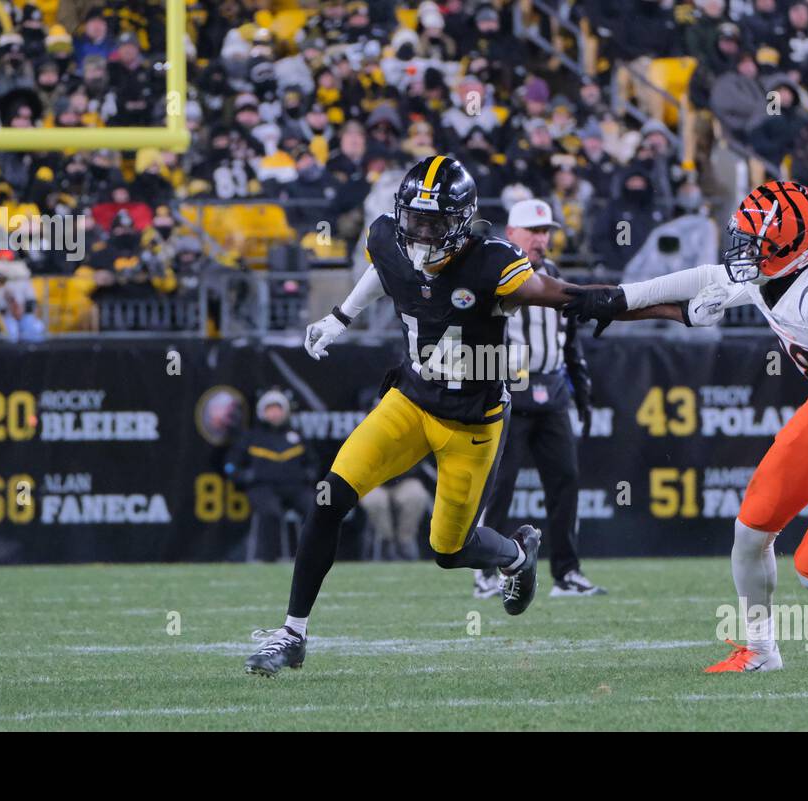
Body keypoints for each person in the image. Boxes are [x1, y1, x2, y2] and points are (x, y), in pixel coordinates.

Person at [565, 180, 808, 673]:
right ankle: (761, 651)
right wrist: (618, 297)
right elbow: (703, 276)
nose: (744, 252)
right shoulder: (778, 271)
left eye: (757, 243)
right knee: (750, 531)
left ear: (793, 248)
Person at [245, 156, 599, 676]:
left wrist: (638, 300)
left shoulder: (491, 260)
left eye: (435, 223)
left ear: (462, 220)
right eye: (414, 219)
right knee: (330, 497)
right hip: (410, 401)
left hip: (472, 424)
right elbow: (383, 265)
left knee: (449, 550)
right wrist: (341, 317)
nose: (421, 232)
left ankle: (517, 557)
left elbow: (558, 295)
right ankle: (292, 634)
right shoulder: (390, 237)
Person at [473, 199, 605, 600]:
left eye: (546, 231)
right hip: (507, 392)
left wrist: (580, 387)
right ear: (511, 233)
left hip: (552, 393)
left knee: (565, 481)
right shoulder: (494, 273)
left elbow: (570, 337)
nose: (541, 239)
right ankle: (485, 571)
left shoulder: (553, 273)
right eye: (533, 231)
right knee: (499, 486)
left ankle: (566, 573)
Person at [225, 389, 314, 562]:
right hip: (262, 488)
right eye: (269, 409)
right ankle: (268, 558)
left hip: (295, 487)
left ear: (285, 411)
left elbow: (312, 462)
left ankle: (313, 557)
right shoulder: (251, 437)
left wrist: (309, 475)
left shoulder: (297, 436)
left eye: (277, 408)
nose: (274, 413)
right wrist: (244, 477)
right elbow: (230, 466)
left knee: (315, 509)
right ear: (261, 412)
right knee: (270, 512)